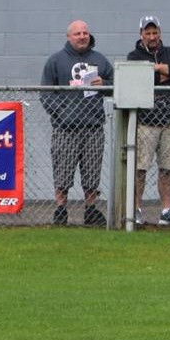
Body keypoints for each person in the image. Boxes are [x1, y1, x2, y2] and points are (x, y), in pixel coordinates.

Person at [40, 19, 114, 227]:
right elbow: (46, 93)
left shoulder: (100, 60)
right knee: (62, 170)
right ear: (69, 37)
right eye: (77, 34)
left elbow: (117, 84)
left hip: (93, 127)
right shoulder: (55, 61)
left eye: (85, 33)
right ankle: (61, 209)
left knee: (92, 171)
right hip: (65, 128)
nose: (82, 37)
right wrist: (61, 114)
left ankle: (90, 209)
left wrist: (105, 84)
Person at [127, 15, 170, 226]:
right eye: (148, 33)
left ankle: (166, 211)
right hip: (146, 122)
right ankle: (135, 209)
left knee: (167, 168)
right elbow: (140, 80)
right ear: (141, 34)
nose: (152, 36)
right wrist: (166, 71)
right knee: (140, 168)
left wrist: (156, 68)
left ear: (160, 33)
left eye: (155, 32)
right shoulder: (134, 56)